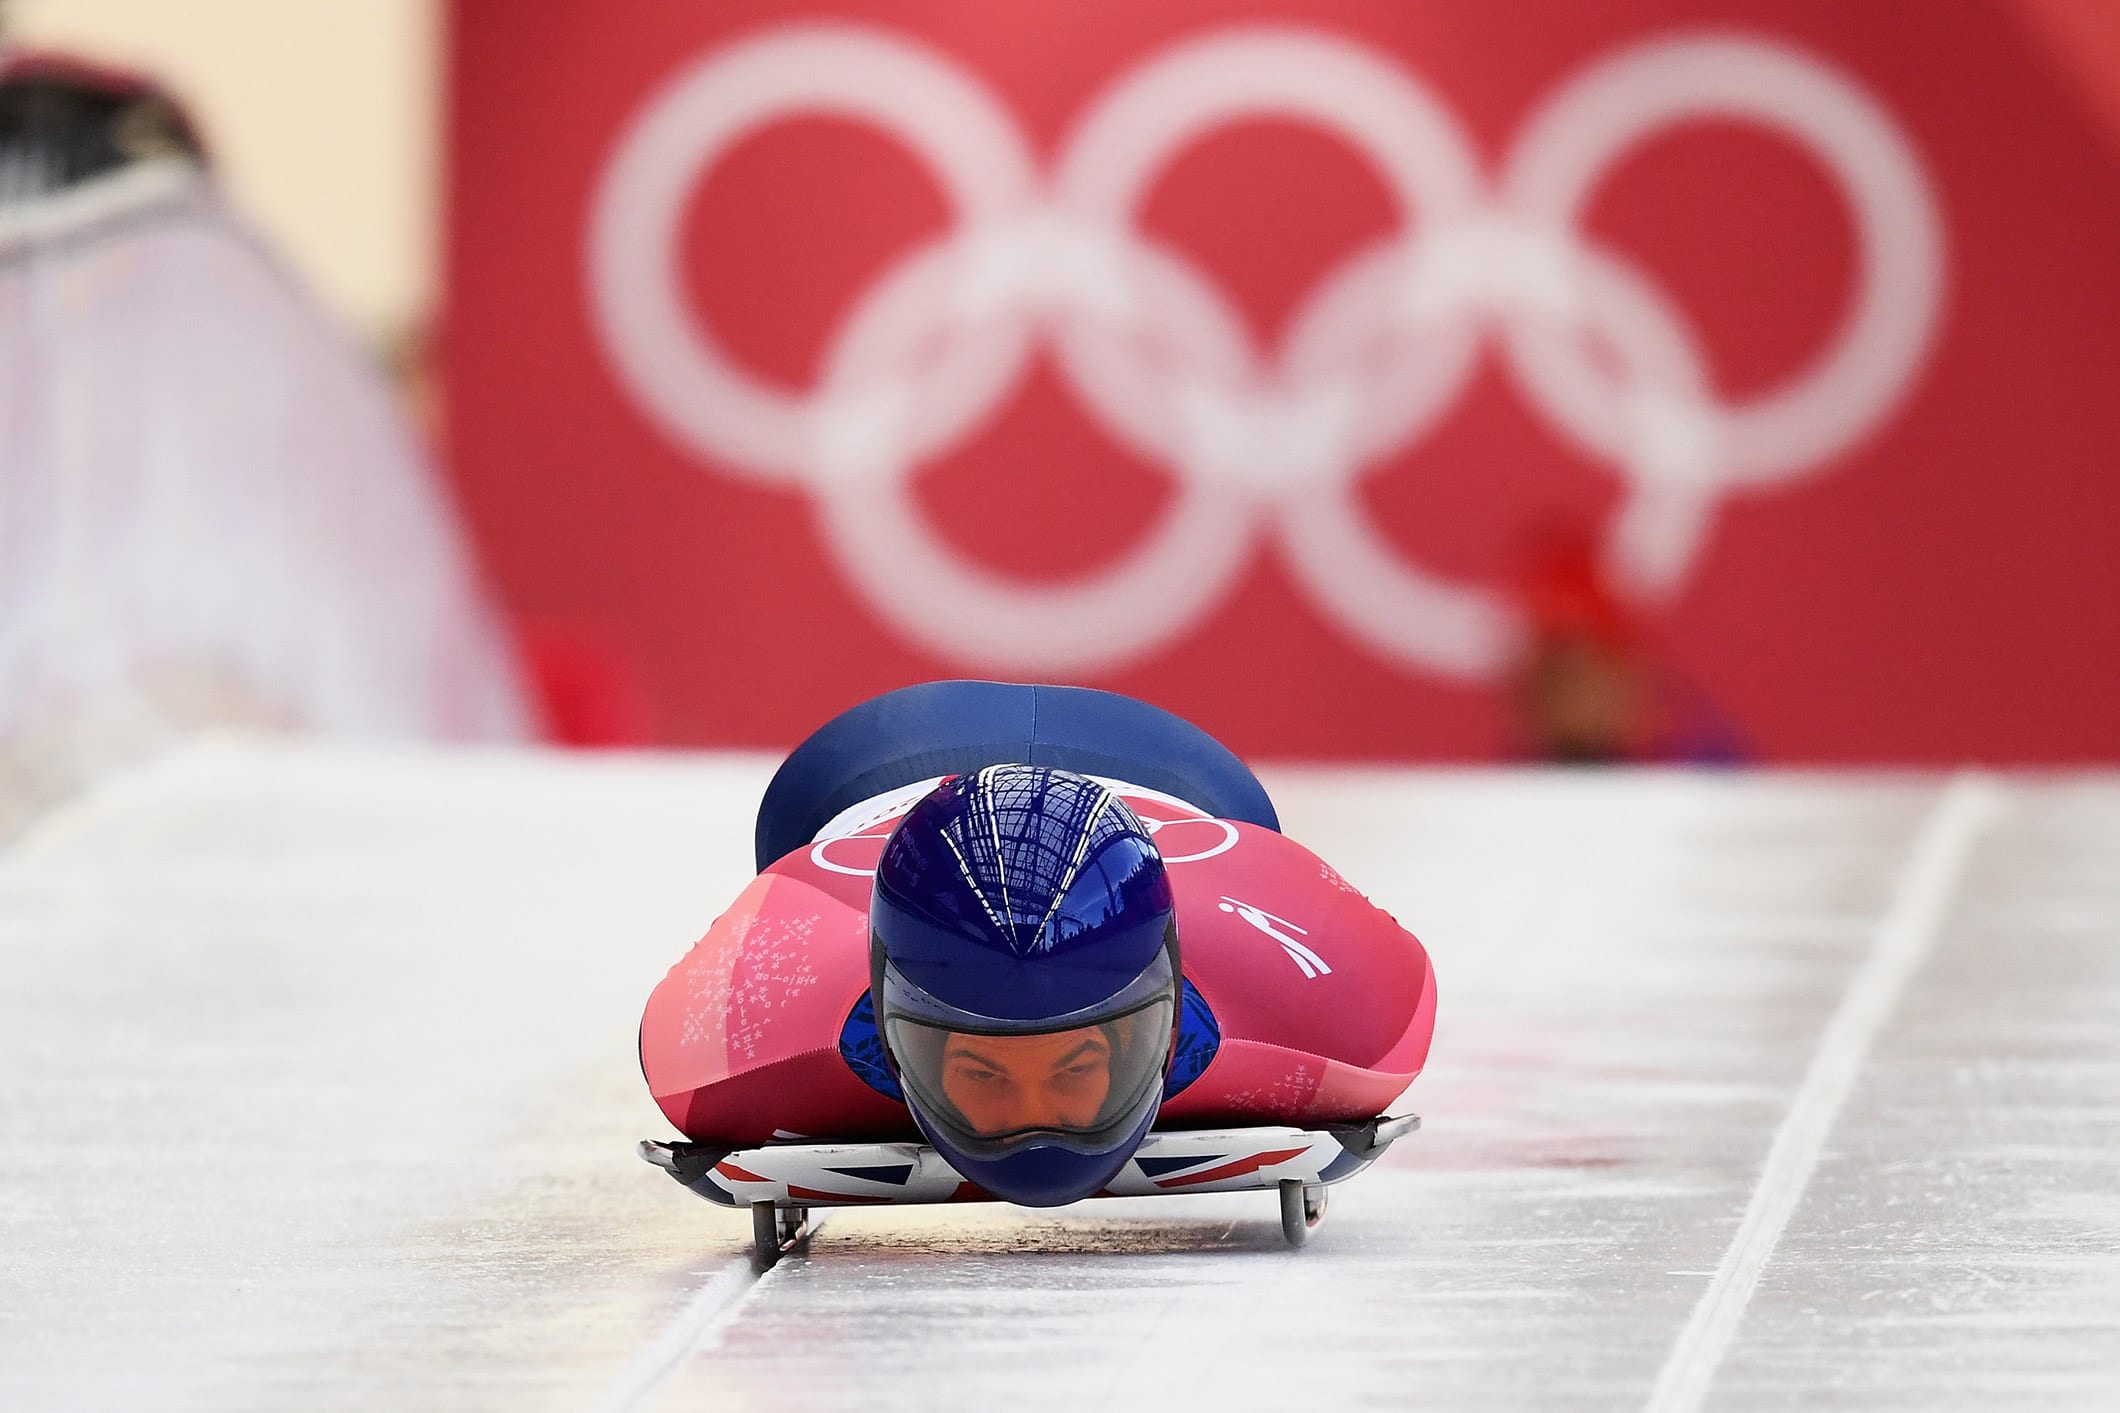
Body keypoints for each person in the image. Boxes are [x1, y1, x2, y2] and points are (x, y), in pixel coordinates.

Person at [638, 680, 1437, 1207]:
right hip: (869, 781)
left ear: (1161, 1012)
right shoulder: (751, 1030)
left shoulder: (1339, 999)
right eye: (982, 1072)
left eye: (1079, 1066)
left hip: (895, 760)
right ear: (889, 1015)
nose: (1034, 1125)